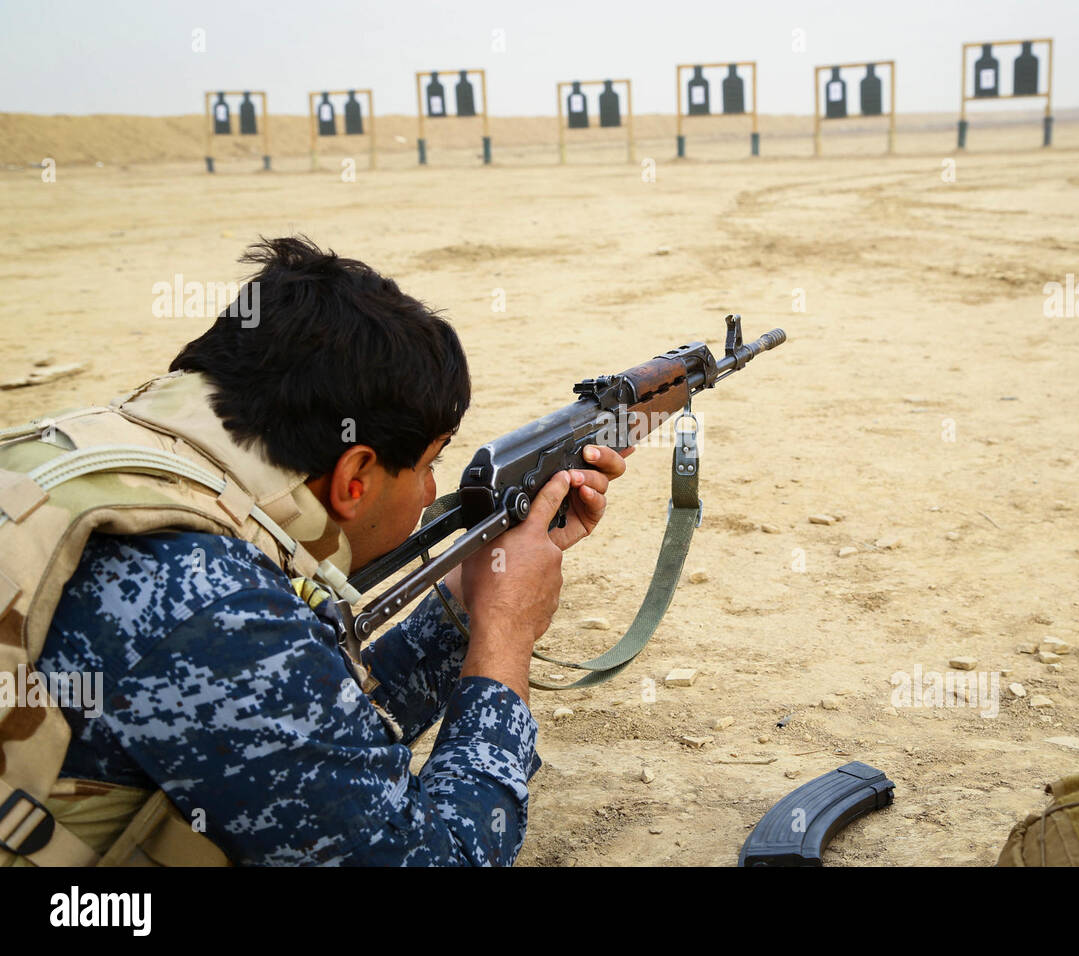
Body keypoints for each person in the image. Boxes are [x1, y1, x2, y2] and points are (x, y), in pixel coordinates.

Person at [3, 236, 629, 866]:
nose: (432, 489)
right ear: (355, 477)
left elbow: (306, 729)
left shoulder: (101, 463)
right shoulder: (216, 609)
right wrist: (503, 643)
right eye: (428, 464)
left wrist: (462, 608)